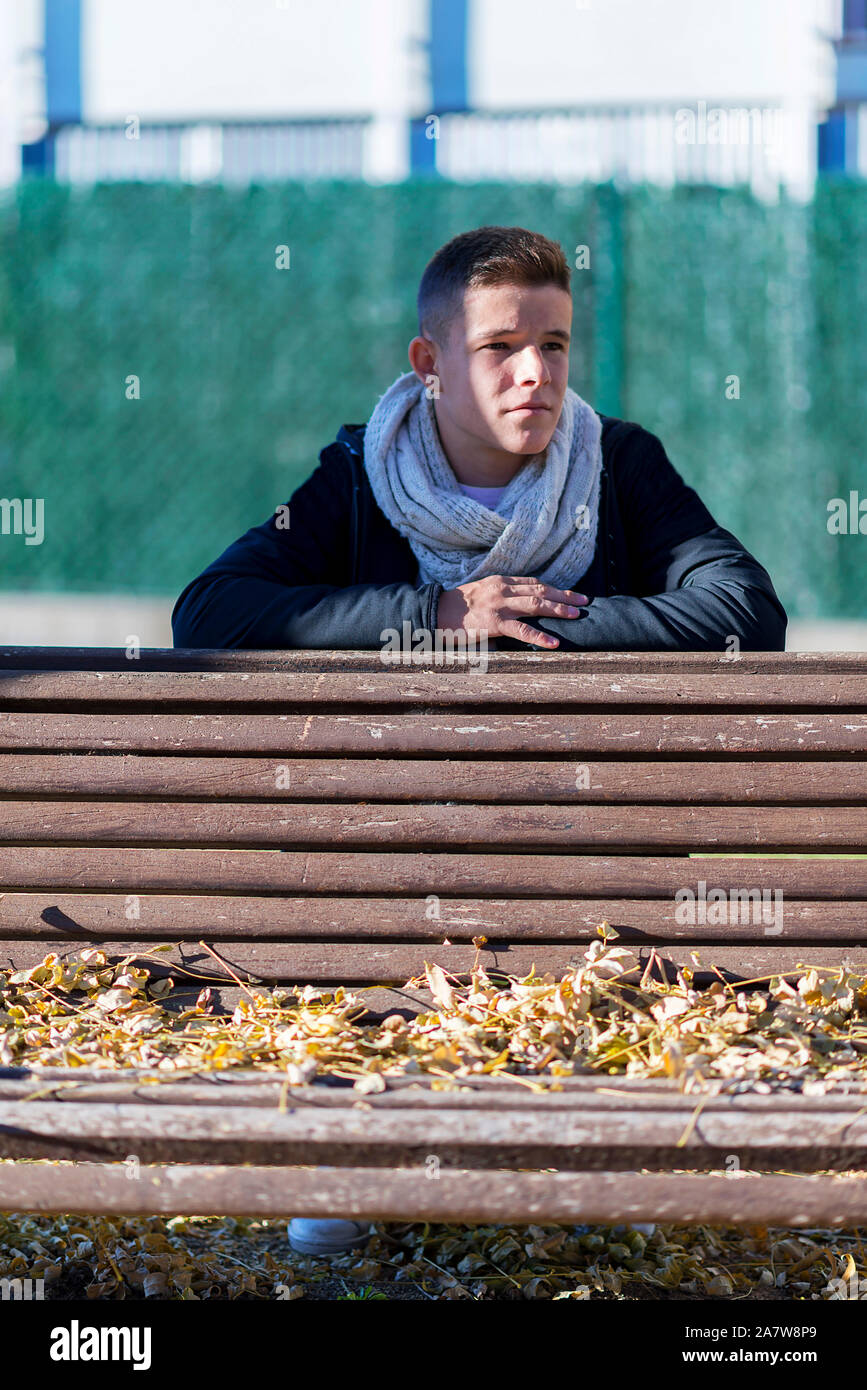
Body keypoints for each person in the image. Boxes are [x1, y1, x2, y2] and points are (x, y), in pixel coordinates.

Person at [172, 225, 787, 1255]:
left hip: (581, 848)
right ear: (431, 364)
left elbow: (742, 611)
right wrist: (440, 615)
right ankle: (368, 1142)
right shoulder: (358, 475)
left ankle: (593, 1140)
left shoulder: (621, 463)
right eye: (501, 345)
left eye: (554, 344)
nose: (536, 372)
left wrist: (535, 621)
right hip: (396, 851)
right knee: (380, 899)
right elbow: (213, 611)